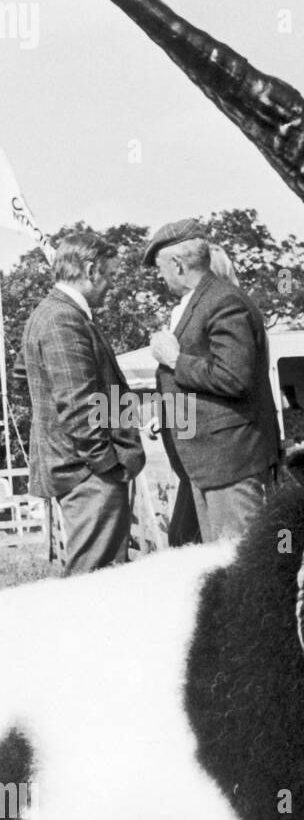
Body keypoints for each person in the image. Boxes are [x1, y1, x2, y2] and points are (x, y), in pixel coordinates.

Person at [16, 231, 145, 574]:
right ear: (90, 269)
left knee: (102, 581)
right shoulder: (63, 318)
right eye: (111, 275)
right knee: (92, 582)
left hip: (83, 469)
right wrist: (107, 465)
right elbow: (78, 406)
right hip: (89, 474)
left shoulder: (54, 314)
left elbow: (22, 377)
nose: (112, 285)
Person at [143, 219, 280, 542]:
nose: (160, 277)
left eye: (160, 268)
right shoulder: (207, 301)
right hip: (214, 463)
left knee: (237, 566)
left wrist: (175, 360)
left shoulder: (223, 302)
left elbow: (233, 378)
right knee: (221, 566)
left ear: (177, 265)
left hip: (231, 462)